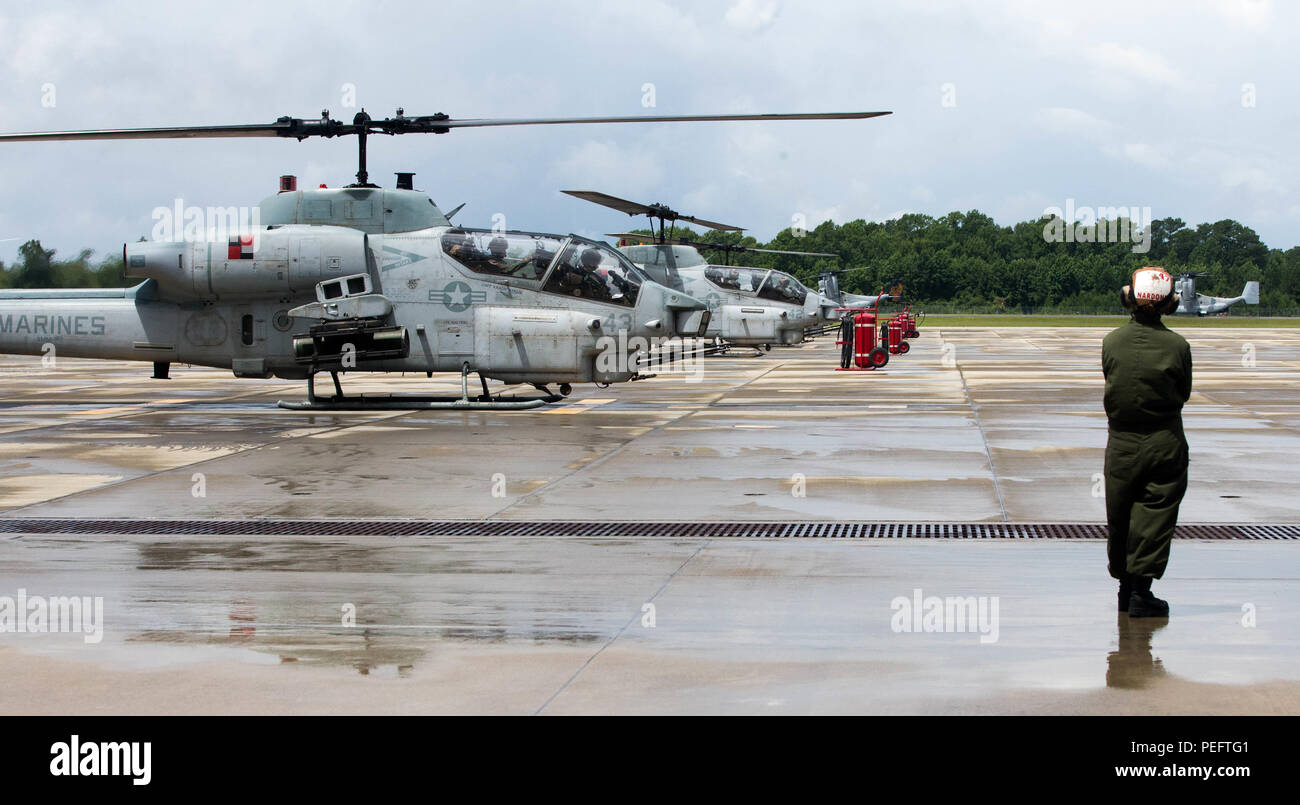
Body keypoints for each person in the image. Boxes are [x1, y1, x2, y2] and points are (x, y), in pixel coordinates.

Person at [1102, 266, 1191, 619]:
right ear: (1170, 304)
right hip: (1164, 440)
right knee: (1154, 515)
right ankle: (1141, 591)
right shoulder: (1178, 346)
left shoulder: (1111, 341)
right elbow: (1183, 392)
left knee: (1119, 513)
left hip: (1121, 443)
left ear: (1130, 299)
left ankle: (1125, 589)